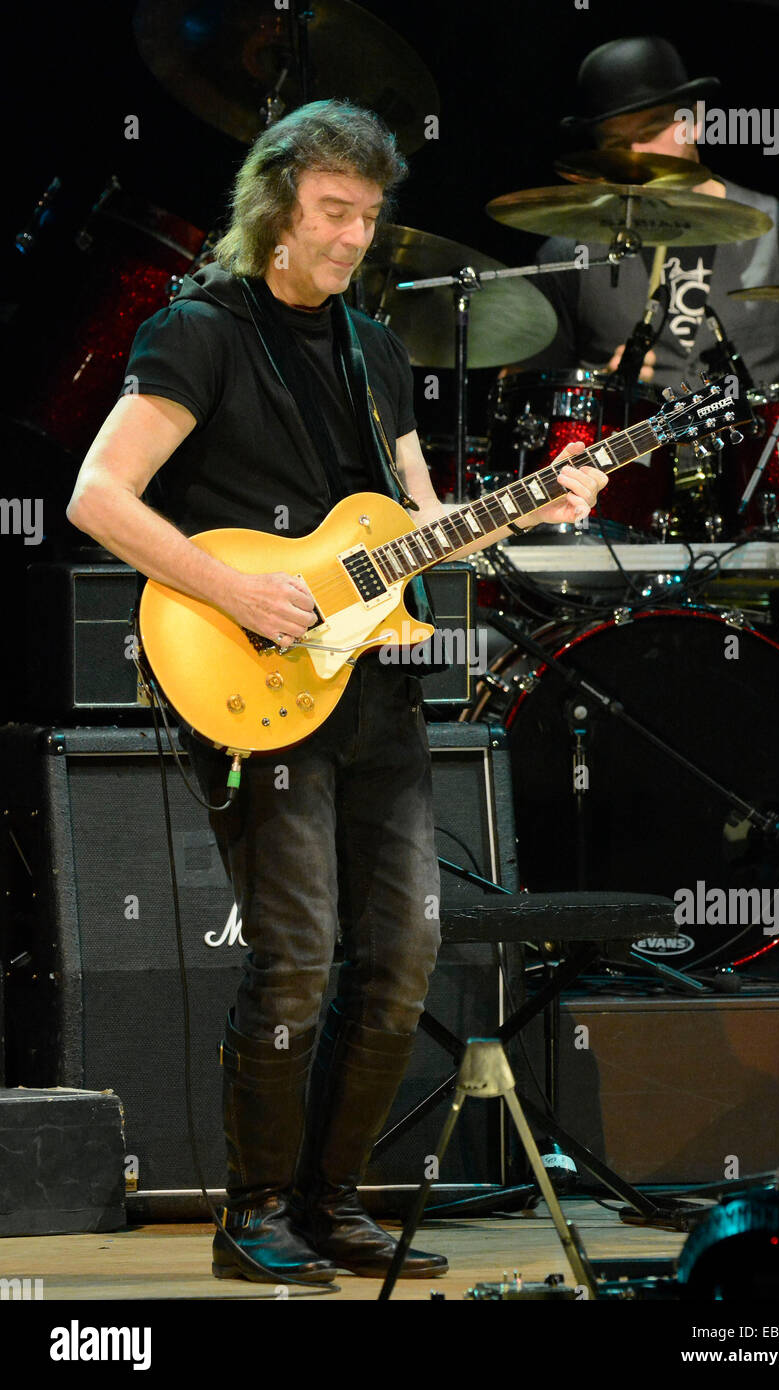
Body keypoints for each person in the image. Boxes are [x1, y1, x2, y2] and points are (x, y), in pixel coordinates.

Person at [65, 99, 608, 1285]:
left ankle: (330, 1199)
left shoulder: (372, 350)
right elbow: (99, 495)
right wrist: (236, 590)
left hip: (368, 693)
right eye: (330, 212)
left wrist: (532, 500)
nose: (353, 236)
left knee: (404, 953)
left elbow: (417, 533)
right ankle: (249, 1210)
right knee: (298, 955)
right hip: (250, 674)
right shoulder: (198, 330)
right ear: (275, 207)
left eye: (367, 215)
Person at [513, 36, 779, 396]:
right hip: (630, 449)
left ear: (694, 122)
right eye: (616, 144)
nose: (636, 155)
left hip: (754, 448)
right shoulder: (568, 252)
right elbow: (519, 393)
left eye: (651, 132)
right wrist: (595, 391)